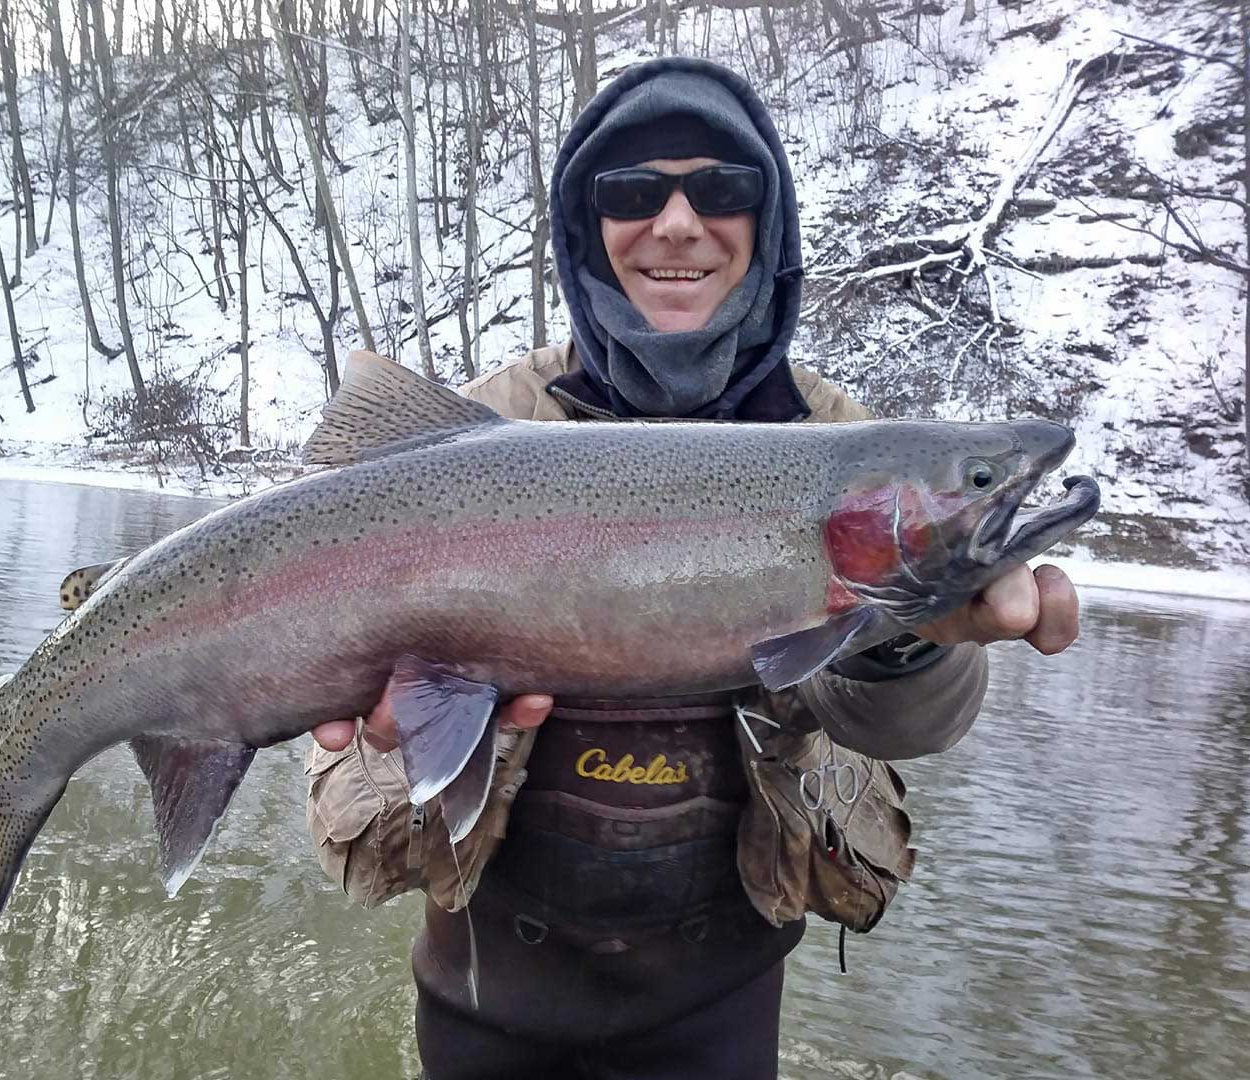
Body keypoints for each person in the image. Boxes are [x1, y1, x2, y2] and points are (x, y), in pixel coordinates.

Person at [304, 57, 1080, 1080]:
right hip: (488, 985)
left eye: (722, 190)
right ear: (588, 230)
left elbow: (897, 726)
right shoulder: (488, 424)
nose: (678, 223)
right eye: (633, 193)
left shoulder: (846, 440)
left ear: (769, 227)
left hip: (718, 1001)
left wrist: (914, 639)